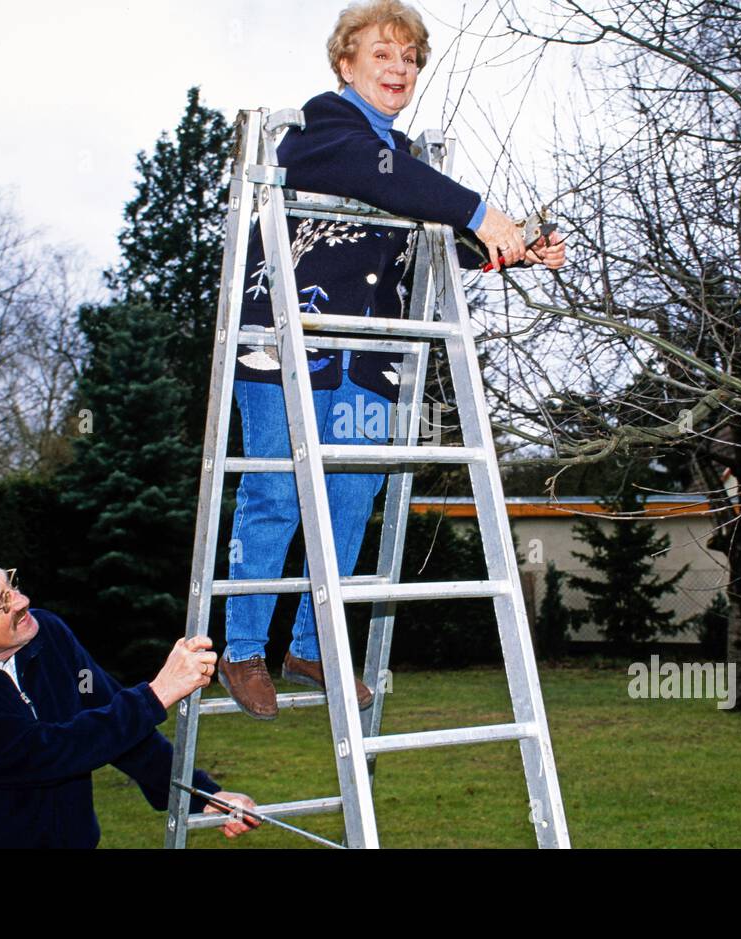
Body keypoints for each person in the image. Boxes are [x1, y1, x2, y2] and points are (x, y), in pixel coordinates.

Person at [220, 0, 567, 720]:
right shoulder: (320, 133)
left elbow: (437, 230)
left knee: (351, 502)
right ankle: (244, 646)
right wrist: (477, 211)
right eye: (383, 54)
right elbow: (379, 176)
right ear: (346, 63)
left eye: (409, 59)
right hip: (289, 349)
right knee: (276, 498)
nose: (399, 69)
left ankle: (314, 645)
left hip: (368, 361)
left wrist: (513, 244)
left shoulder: (408, 166)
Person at [0, 555, 259, 847]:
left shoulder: (45, 634)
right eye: (2, 603)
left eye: (11, 585)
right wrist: (157, 693)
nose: (23, 601)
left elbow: (117, 728)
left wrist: (202, 794)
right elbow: (48, 753)